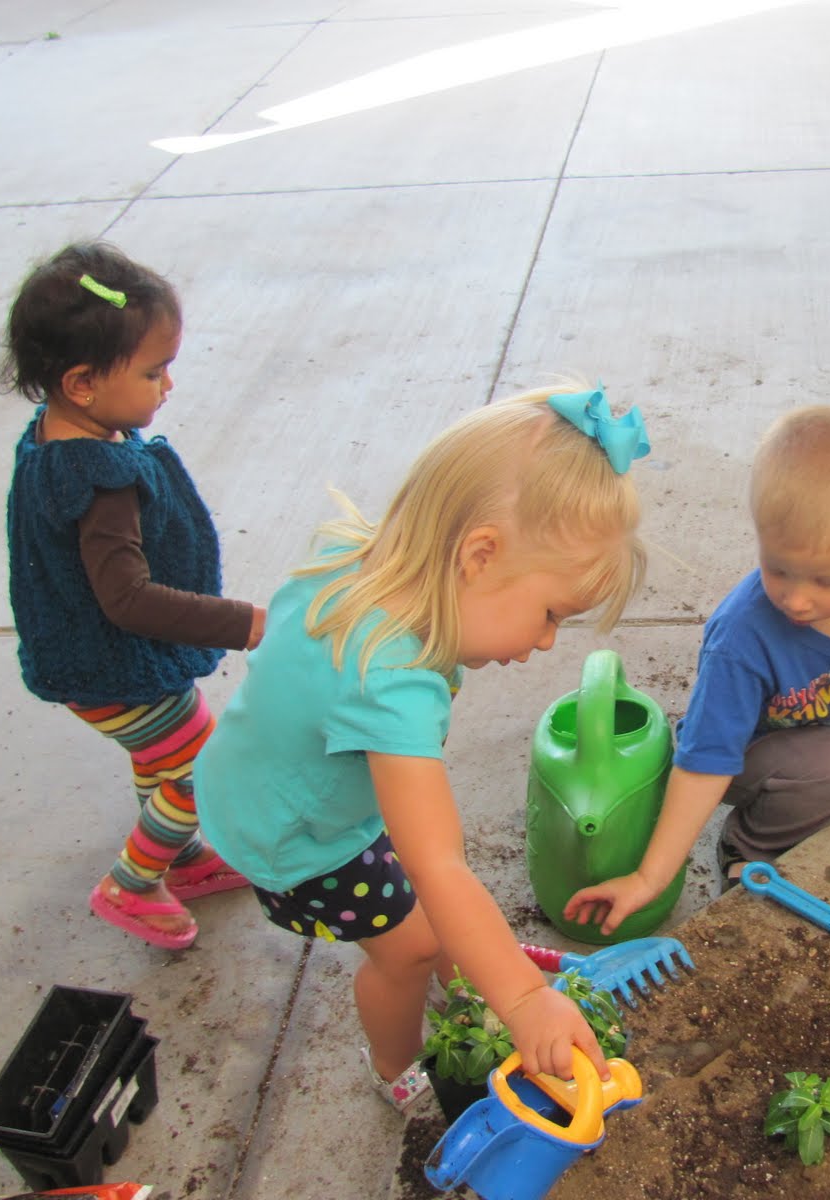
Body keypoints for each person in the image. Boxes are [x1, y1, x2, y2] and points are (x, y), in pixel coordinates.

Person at [192, 384, 646, 1114]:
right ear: (480, 555)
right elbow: (438, 863)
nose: (546, 641)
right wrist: (525, 1001)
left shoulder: (361, 559)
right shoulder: (390, 680)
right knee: (408, 948)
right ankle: (397, 1063)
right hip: (297, 837)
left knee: (434, 920)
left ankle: (463, 964)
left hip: (254, 775)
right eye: (552, 613)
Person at [563, 405, 830, 938]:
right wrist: (648, 877)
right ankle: (749, 843)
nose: (797, 600)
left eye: (826, 580)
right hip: (761, 757)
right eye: (778, 568)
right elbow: (705, 761)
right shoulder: (744, 636)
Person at [2, 243, 266, 953]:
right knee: (204, 762)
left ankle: (178, 857)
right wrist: (246, 624)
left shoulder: (63, 438)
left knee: (165, 759)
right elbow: (128, 598)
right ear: (82, 382)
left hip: (97, 656)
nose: (168, 385)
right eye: (154, 371)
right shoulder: (98, 479)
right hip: (110, 664)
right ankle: (134, 880)